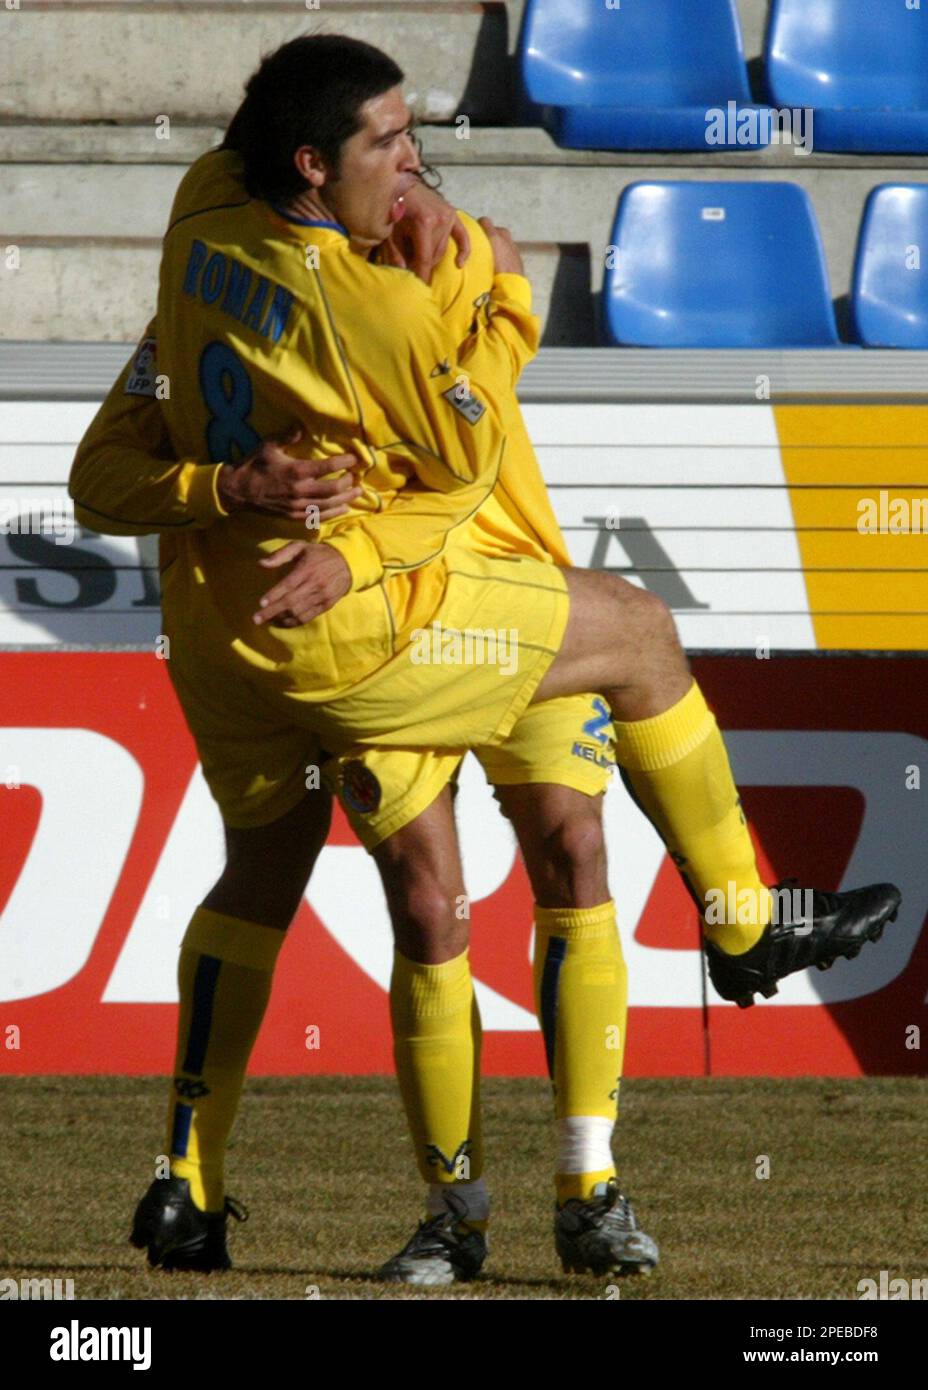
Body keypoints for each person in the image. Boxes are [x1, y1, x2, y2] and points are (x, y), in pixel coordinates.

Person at [70, 33, 901, 1287]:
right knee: (450, 877)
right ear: (315, 166)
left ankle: (570, 1183)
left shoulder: (209, 206)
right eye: (388, 149)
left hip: (333, 608)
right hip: (401, 612)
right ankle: (472, 1198)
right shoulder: (395, 307)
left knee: (557, 846)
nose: (415, 175)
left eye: (422, 150)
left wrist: (228, 473)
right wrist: (499, 294)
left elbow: (120, 450)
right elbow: (458, 454)